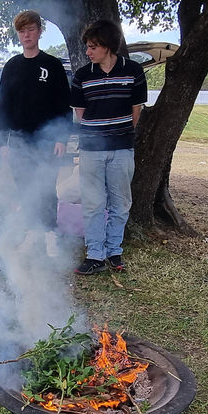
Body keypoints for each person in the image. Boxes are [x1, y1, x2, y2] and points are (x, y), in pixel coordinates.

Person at [69, 19, 148, 275]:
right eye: (87, 47)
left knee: (120, 203)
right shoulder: (82, 76)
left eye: (93, 46)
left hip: (122, 149)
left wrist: (117, 132)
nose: (88, 52)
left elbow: (136, 111)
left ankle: (114, 252)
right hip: (91, 151)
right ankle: (95, 255)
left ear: (108, 46)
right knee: (93, 204)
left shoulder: (134, 71)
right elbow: (81, 113)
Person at [0, 10, 72, 246]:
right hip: (17, 141)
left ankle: (50, 232)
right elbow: (3, 107)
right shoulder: (11, 66)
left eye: (30, 29)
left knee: (47, 186)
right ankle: (31, 229)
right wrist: (1, 142)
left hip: (47, 141)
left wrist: (61, 138)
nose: (26, 35)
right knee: (24, 186)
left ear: (39, 31)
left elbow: (63, 104)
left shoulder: (52, 65)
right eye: (21, 31)